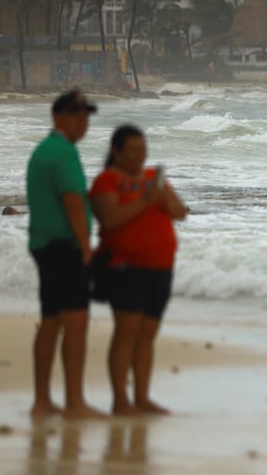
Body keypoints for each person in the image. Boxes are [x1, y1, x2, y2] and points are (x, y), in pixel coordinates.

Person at [88, 124, 187, 416]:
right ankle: (121, 401)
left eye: (143, 149)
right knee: (126, 331)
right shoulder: (107, 181)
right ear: (116, 151)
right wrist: (146, 201)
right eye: (133, 149)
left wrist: (165, 200)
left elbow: (180, 212)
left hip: (161, 265)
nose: (139, 155)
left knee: (147, 334)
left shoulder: (153, 180)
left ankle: (141, 398)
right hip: (123, 266)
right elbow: (110, 219)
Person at [25, 88, 107, 420]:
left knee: (51, 321)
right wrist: (87, 249)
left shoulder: (44, 151)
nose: (83, 122)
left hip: (45, 244)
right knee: (75, 321)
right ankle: (75, 403)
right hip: (64, 248)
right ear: (59, 117)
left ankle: (42, 401)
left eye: (86, 115)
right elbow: (74, 202)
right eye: (77, 115)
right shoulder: (61, 153)